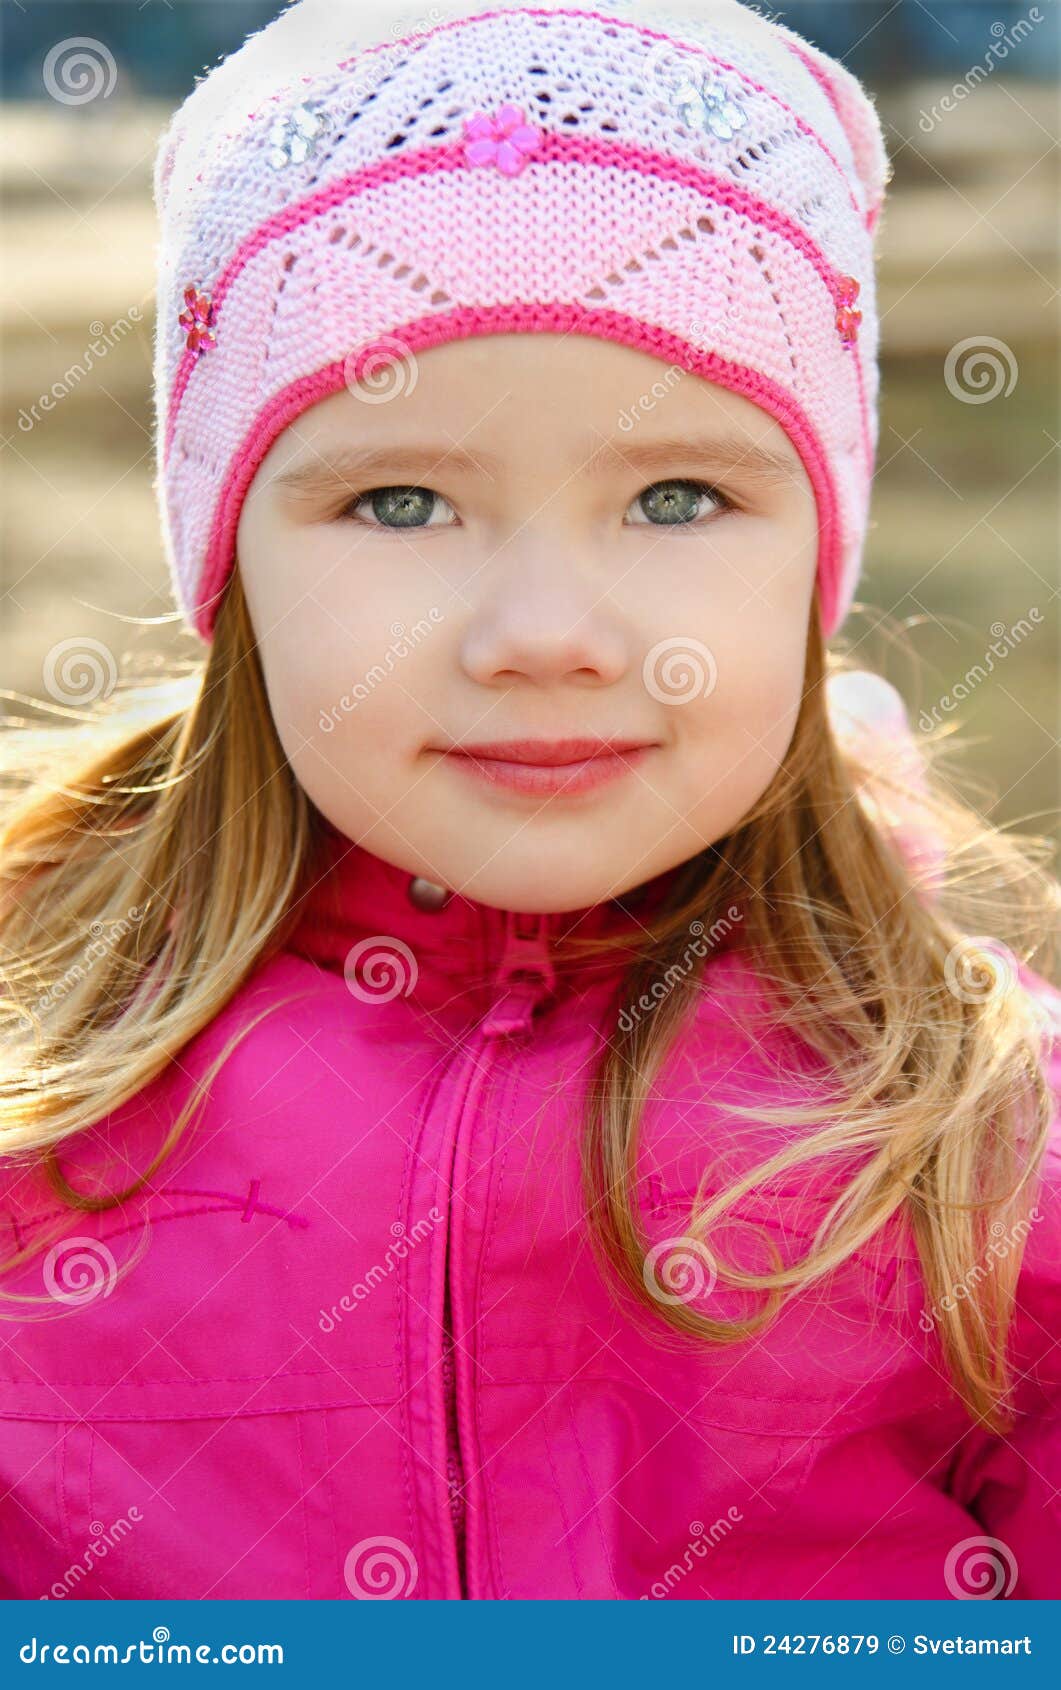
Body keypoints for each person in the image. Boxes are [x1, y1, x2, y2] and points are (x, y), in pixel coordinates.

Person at [0, 0, 1057, 1602]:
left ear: (812, 562)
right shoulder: (41, 1109)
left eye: (677, 495)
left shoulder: (981, 1148)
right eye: (401, 500)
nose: (547, 634)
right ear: (230, 567)